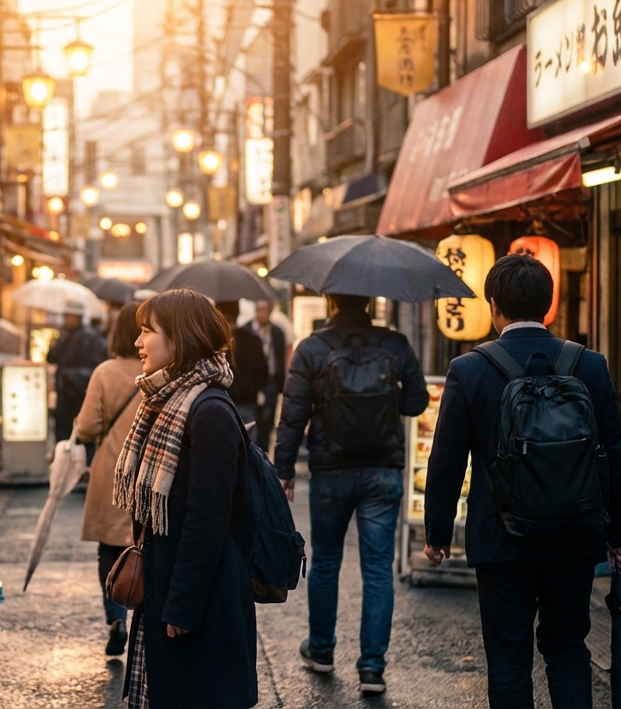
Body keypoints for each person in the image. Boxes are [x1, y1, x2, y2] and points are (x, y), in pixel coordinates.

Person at [424, 254, 621, 709]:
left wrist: (438, 535)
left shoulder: (470, 370)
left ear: (494, 305)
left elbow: (446, 460)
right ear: (549, 305)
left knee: (508, 660)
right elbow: (615, 454)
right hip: (575, 535)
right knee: (567, 648)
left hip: (501, 539)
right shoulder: (590, 365)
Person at [274, 293, 428, 694]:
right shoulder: (395, 344)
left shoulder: (311, 348)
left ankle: (322, 650)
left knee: (325, 561)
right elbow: (416, 403)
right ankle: (372, 667)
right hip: (383, 469)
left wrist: (284, 471)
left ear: (329, 300)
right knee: (378, 568)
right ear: (372, 300)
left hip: (330, 470)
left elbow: (292, 415)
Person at [116, 289, 257, 709]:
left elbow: (207, 520)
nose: (138, 343)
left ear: (179, 338)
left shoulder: (208, 410)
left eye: (147, 332)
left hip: (199, 603)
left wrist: (183, 605)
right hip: (169, 587)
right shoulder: (168, 400)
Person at [74, 303, 142, 657]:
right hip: (152, 470)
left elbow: (87, 427)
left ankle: (116, 618)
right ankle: (147, 618)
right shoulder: (163, 371)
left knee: (111, 548)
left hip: (112, 470)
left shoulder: (105, 371)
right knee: (149, 546)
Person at [48, 302, 107, 441]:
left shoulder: (90, 337)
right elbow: (52, 358)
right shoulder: (62, 334)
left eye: (72, 316)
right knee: (62, 433)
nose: (69, 319)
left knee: (80, 435)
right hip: (63, 393)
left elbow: (95, 367)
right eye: (67, 316)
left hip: (80, 393)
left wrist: (71, 375)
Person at [215, 300, 268, 429]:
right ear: (238, 314)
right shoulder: (253, 340)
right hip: (247, 401)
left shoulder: (214, 342)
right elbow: (263, 373)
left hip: (220, 402)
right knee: (247, 444)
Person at [247, 300, 290, 451]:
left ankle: (263, 452)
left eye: (265, 310)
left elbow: (281, 359)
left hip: (271, 381)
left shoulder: (277, 332)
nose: (261, 313)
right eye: (259, 309)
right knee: (252, 420)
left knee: (268, 420)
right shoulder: (247, 330)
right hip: (252, 383)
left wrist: (281, 384)